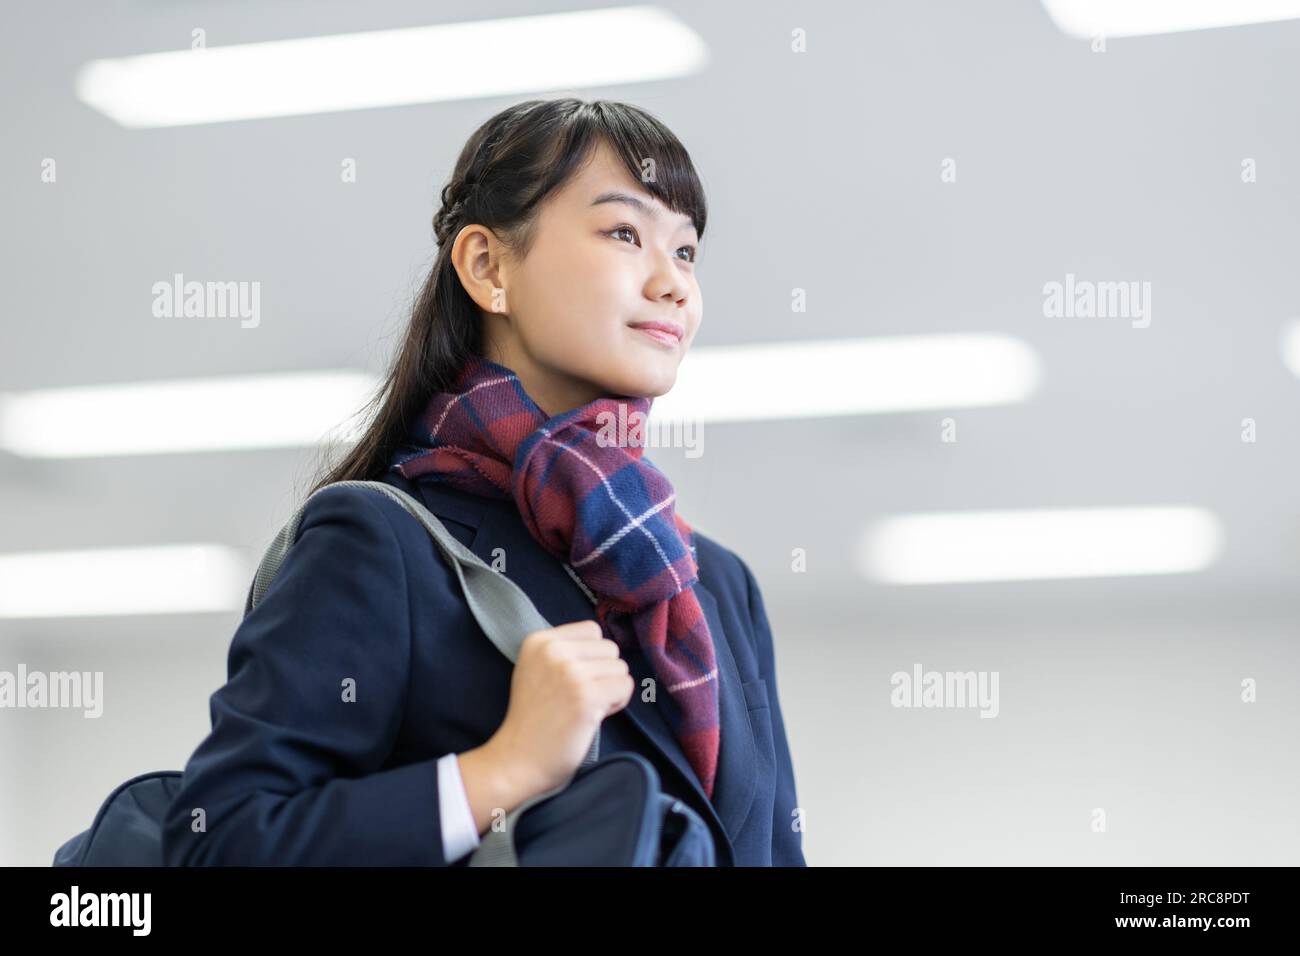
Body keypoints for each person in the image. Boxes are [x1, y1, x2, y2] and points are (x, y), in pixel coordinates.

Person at [161, 97, 805, 867]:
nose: (674, 284)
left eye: (689, 251)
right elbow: (220, 842)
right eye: (625, 233)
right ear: (487, 266)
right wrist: (500, 771)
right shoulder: (380, 544)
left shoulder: (717, 587)